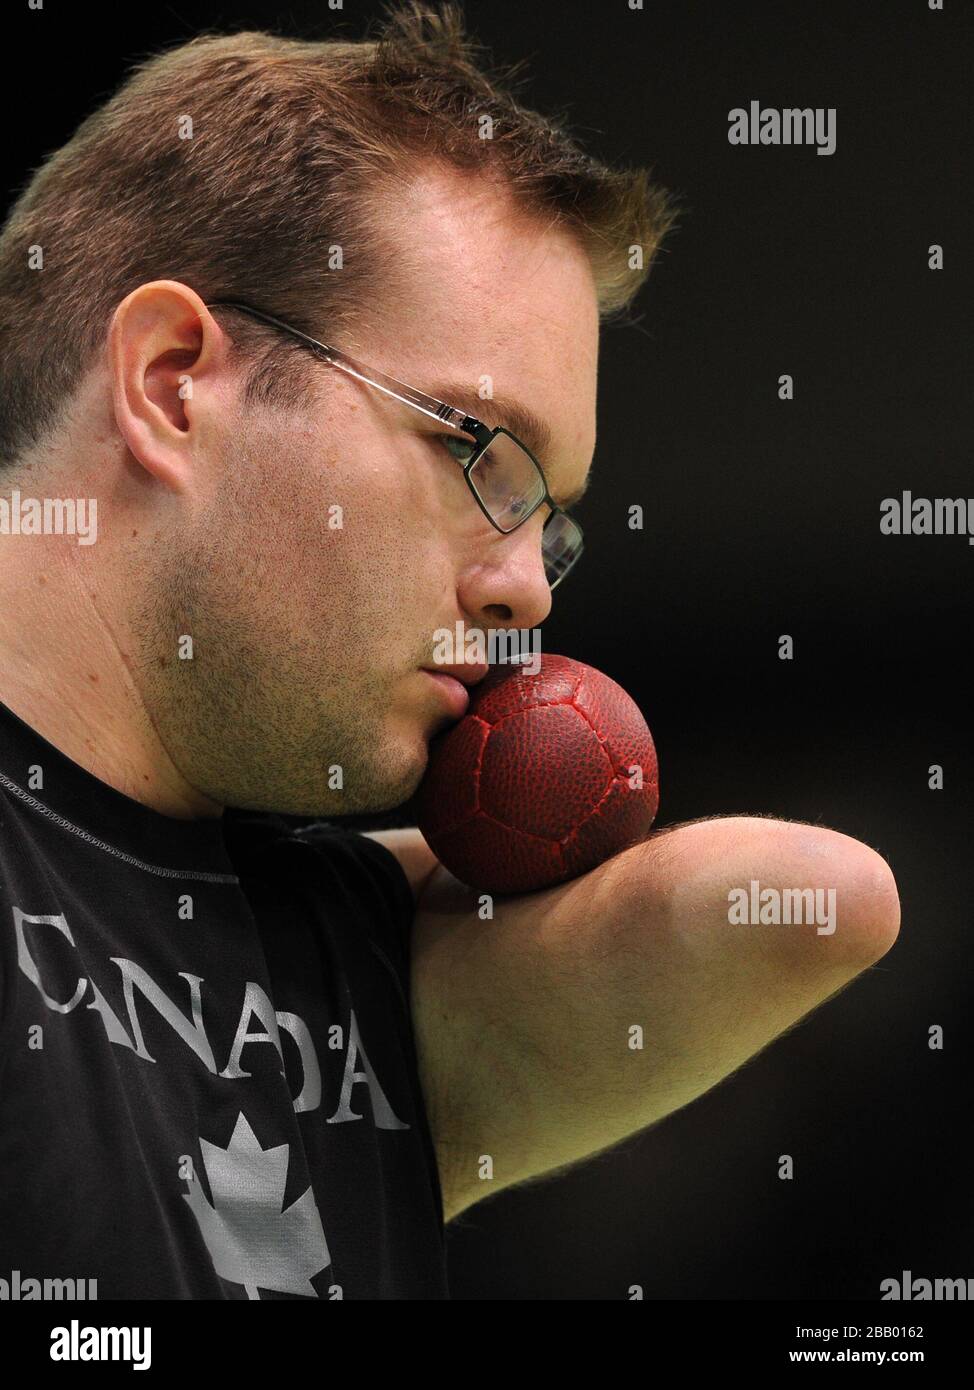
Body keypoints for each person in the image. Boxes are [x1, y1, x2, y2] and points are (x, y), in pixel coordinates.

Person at [0, 3, 899, 1300]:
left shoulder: (355, 942)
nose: (523, 587)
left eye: (556, 525)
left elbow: (824, 904)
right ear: (175, 382)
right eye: (481, 452)